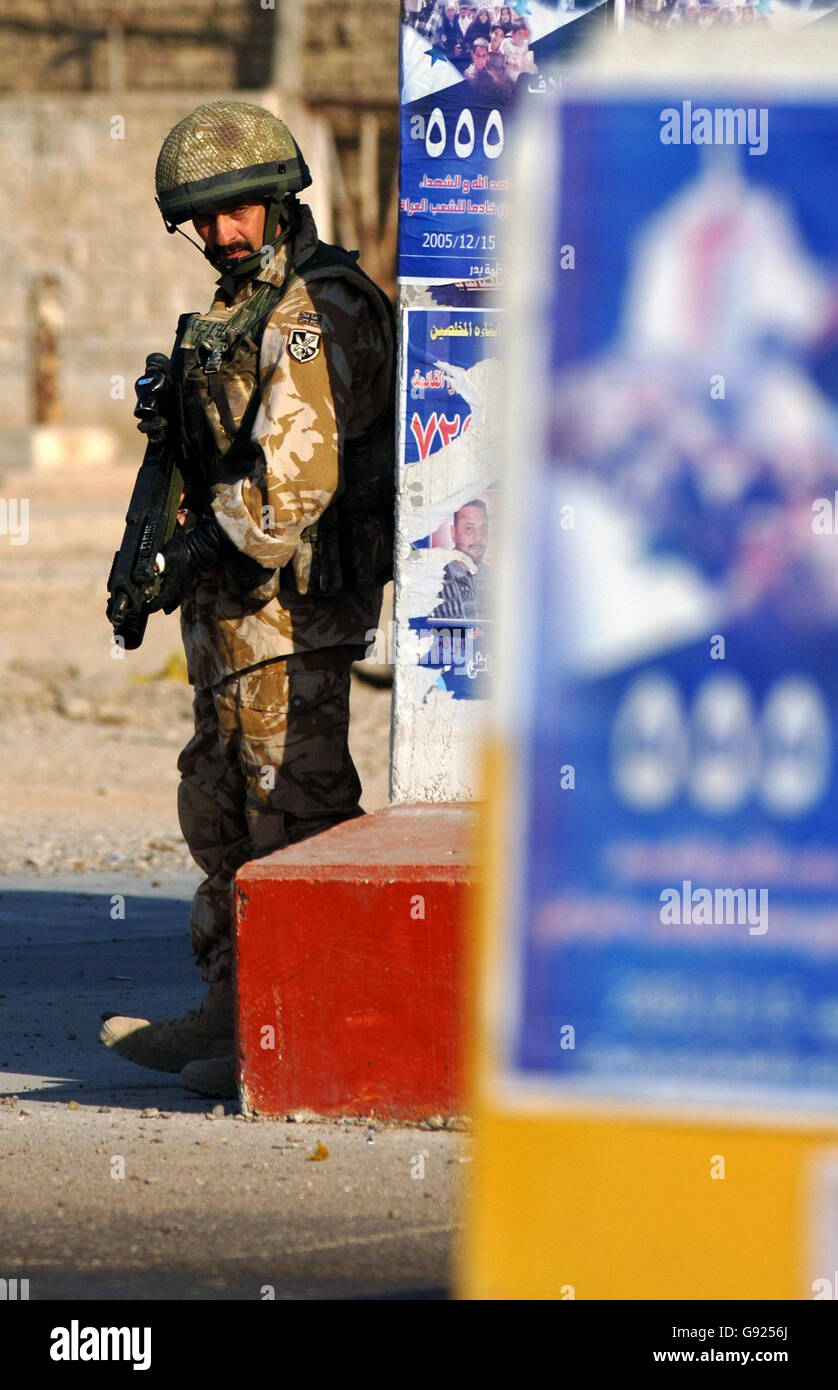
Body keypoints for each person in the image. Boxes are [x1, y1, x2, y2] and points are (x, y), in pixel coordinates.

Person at [100, 101, 395, 1099]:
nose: (222, 234)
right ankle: (232, 1011)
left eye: (239, 213)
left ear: (280, 199)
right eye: (204, 220)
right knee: (219, 806)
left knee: (291, 816)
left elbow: (292, 486)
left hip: (290, 612)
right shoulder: (243, 307)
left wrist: (188, 553)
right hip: (235, 616)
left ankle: (304, 1037)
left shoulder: (319, 308)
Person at [433, 499, 491, 620]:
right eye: (469, 528)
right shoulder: (434, 579)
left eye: (483, 530)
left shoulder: (495, 579)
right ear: (453, 533)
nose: (478, 538)